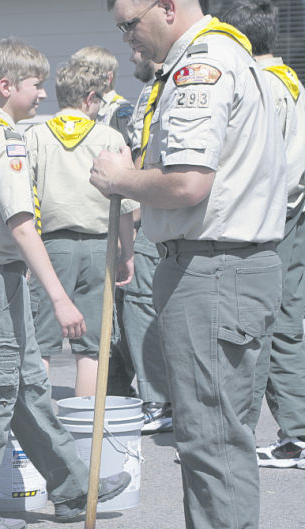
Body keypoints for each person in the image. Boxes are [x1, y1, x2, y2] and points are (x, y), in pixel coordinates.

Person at [93, 0, 284, 529]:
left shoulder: (200, 69)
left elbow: (188, 183)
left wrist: (119, 179)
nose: (125, 35)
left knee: (212, 440)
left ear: (169, 7)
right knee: (211, 436)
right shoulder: (225, 60)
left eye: (128, 21)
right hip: (221, 265)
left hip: (215, 267)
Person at [0, 39, 130, 529]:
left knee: (27, 390)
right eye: (35, 84)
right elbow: (22, 225)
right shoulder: (4, 141)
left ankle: (70, 490)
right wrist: (60, 298)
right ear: (7, 87)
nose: (43, 93)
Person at [219, 0, 305, 468]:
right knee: (287, 319)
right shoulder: (292, 81)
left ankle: (240, 431)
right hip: (295, 208)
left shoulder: (258, 85)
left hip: (269, 216)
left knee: (256, 324)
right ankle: (295, 430)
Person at [24, 58, 137, 397]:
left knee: (41, 344)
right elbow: (126, 201)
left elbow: (24, 198)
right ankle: (87, 427)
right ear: (90, 98)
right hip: (98, 247)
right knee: (91, 347)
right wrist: (127, 252)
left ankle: (38, 427)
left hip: (51, 249)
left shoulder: (35, 136)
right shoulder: (109, 137)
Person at [120, 50, 175, 434]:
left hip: (159, 217)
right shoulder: (148, 93)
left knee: (141, 306)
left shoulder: (169, 89)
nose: (133, 50)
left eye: (137, 39)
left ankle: (157, 400)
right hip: (152, 216)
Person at [71, 45, 135, 146]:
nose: (78, 79)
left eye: (85, 73)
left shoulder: (120, 113)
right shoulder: (82, 108)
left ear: (108, 78)